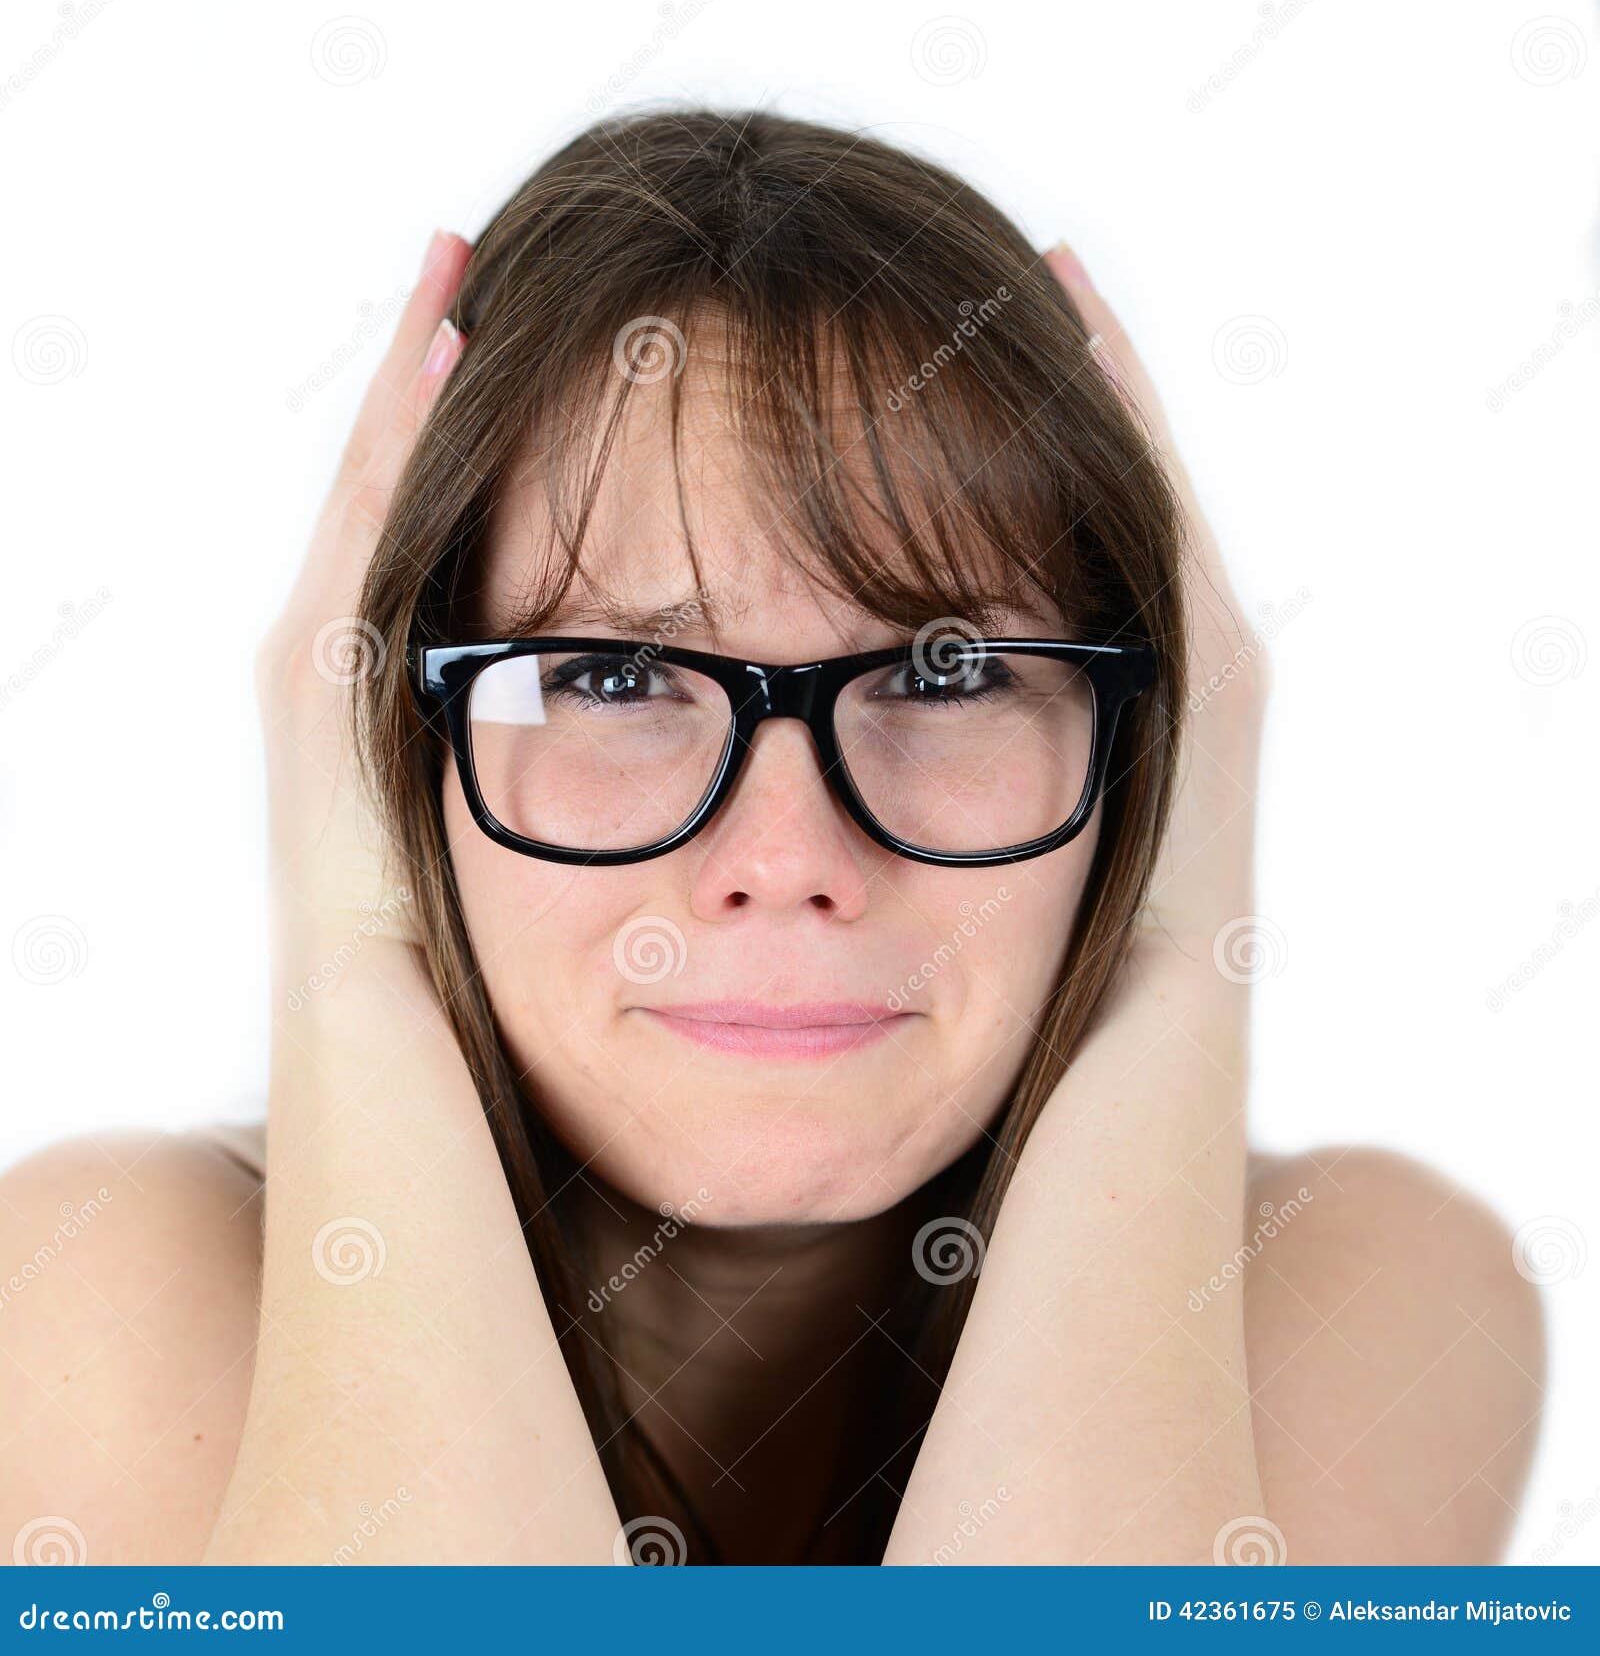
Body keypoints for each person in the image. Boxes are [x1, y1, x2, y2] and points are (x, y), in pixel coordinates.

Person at [0, 110, 1544, 1566]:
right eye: (614, 674)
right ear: (392, 747)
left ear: (1145, 737)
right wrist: (348, 956)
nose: (789, 849)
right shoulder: (93, 1300)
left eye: (946, 672)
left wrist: (1178, 943)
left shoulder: (1382, 1294)